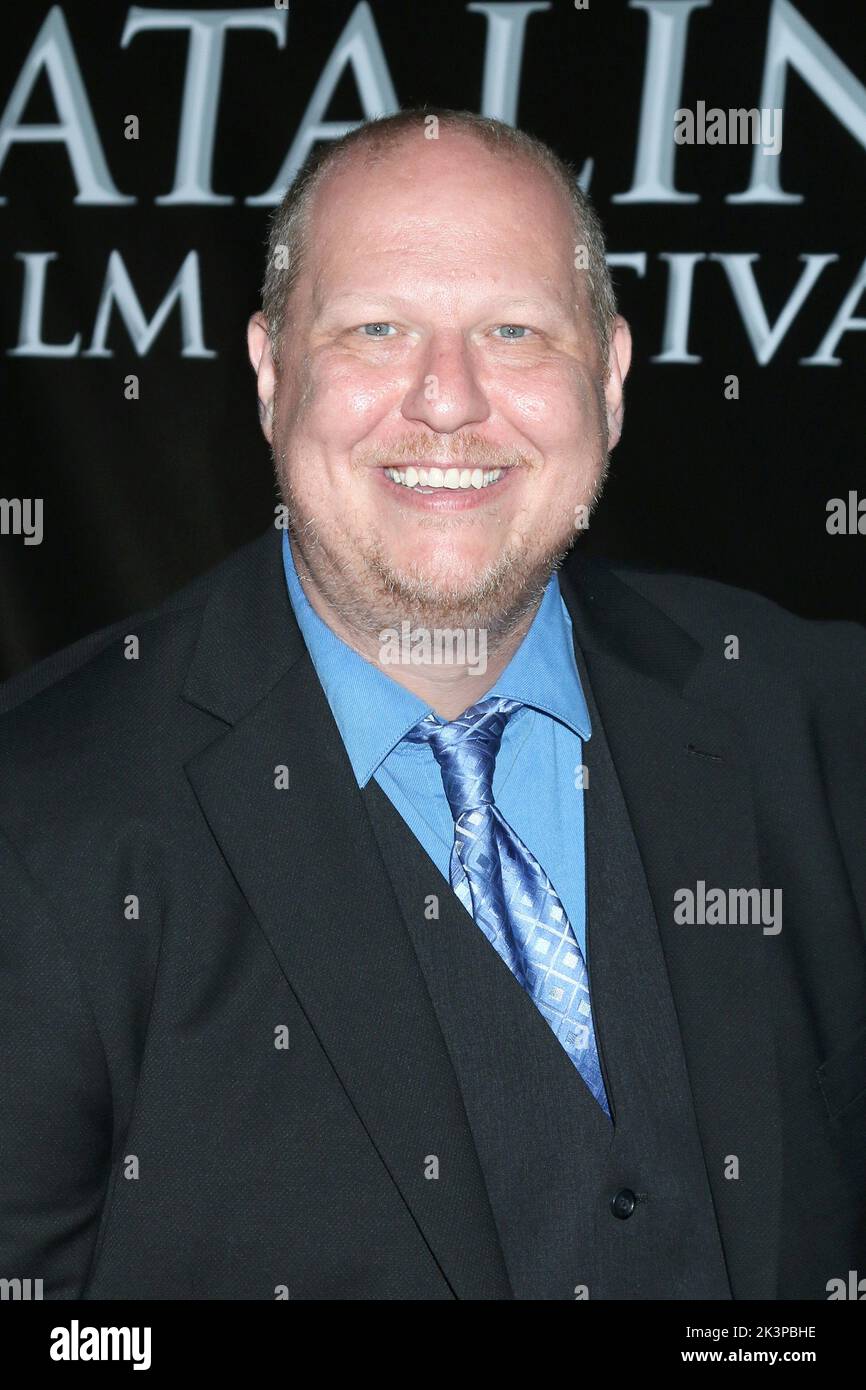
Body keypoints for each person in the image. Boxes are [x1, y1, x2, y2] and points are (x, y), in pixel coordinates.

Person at [1, 109, 864, 1301]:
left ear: (609, 378)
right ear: (271, 373)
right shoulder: (39, 818)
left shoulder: (817, 720)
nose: (446, 401)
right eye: (376, 329)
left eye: (513, 331)